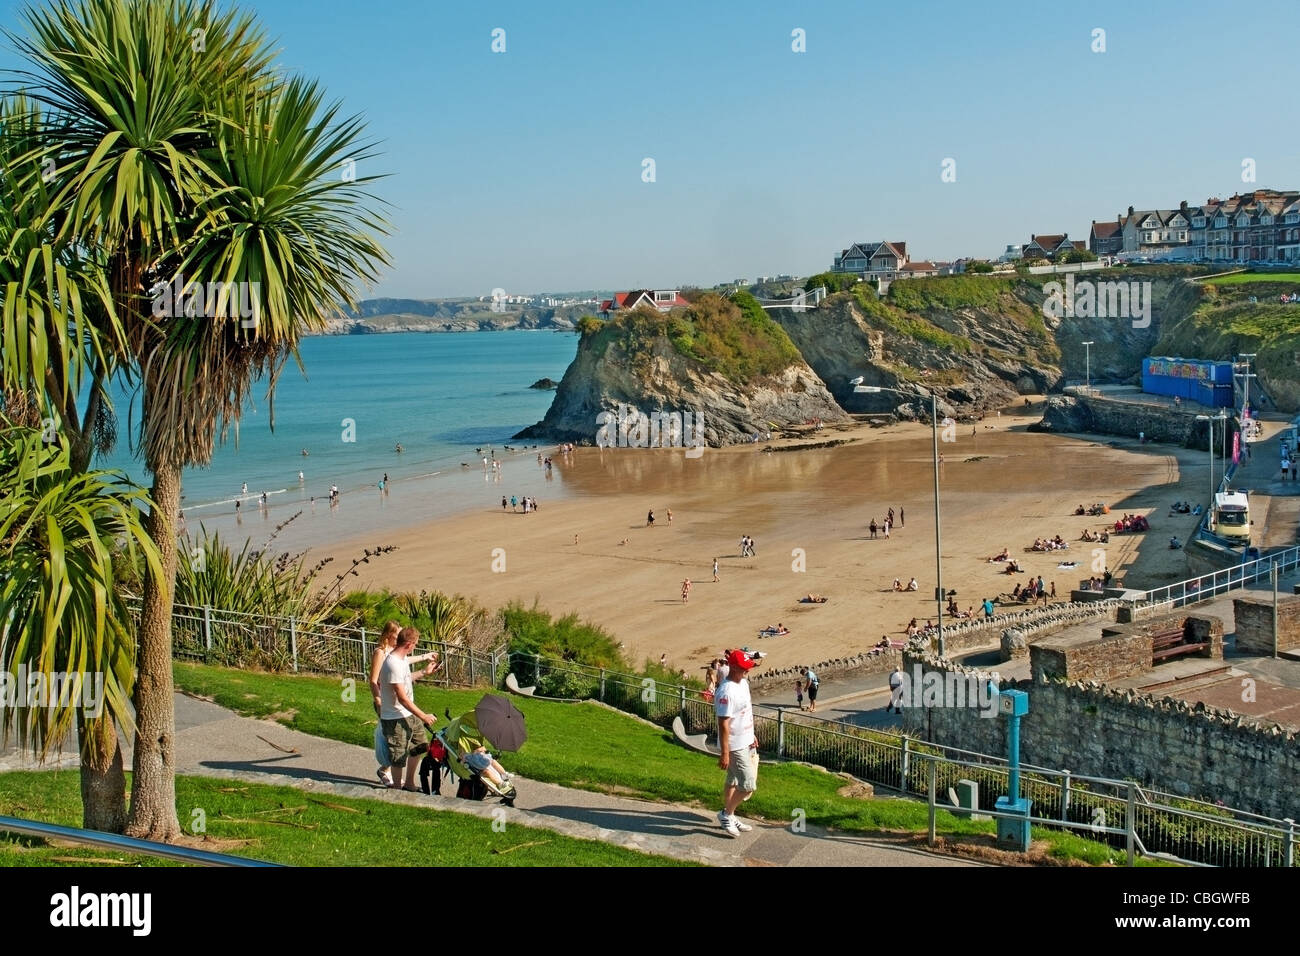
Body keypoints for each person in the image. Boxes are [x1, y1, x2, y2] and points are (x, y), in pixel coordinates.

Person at [379, 628, 440, 791]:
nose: (415, 646)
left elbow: (406, 679)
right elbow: (402, 698)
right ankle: (397, 789)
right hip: (394, 718)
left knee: (420, 746)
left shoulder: (402, 658)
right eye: (415, 644)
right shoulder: (392, 664)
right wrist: (423, 716)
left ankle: (410, 784)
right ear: (408, 644)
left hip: (408, 714)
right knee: (398, 755)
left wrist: (424, 672)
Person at [715, 649, 758, 837]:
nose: (747, 671)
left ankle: (730, 815)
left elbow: (746, 711)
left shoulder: (744, 684)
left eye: (748, 668)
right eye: (743, 668)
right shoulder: (726, 691)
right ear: (732, 666)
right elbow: (723, 724)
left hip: (746, 739)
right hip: (734, 745)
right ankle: (726, 814)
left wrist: (752, 734)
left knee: (732, 780)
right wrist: (725, 753)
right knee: (748, 784)